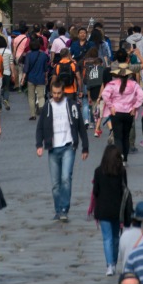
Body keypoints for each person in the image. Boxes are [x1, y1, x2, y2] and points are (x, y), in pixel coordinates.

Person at [35, 76, 88, 222]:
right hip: (52, 148)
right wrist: (39, 145)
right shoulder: (47, 106)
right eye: (54, 93)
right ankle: (58, 210)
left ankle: (64, 209)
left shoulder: (72, 105)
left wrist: (85, 147)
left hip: (68, 147)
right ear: (51, 92)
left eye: (59, 93)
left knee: (65, 178)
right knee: (55, 184)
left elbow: (81, 127)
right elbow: (39, 128)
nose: (56, 96)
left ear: (63, 92)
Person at [91, 141, 130, 276]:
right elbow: (125, 190)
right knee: (116, 237)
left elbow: (95, 191)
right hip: (117, 210)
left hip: (103, 209)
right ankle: (114, 261)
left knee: (106, 238)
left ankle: (110, 265)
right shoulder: (121, 172)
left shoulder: (98, 171)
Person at [99, 60, 143, 160]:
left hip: (116, 112)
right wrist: (135, 106)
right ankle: (125, 157)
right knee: (126, 136)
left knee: (117, 136)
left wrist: (110, 106)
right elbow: (142, 95)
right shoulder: (133, 84)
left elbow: (104, 94)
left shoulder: (112, 84)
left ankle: (120, 154)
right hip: (129, 113)